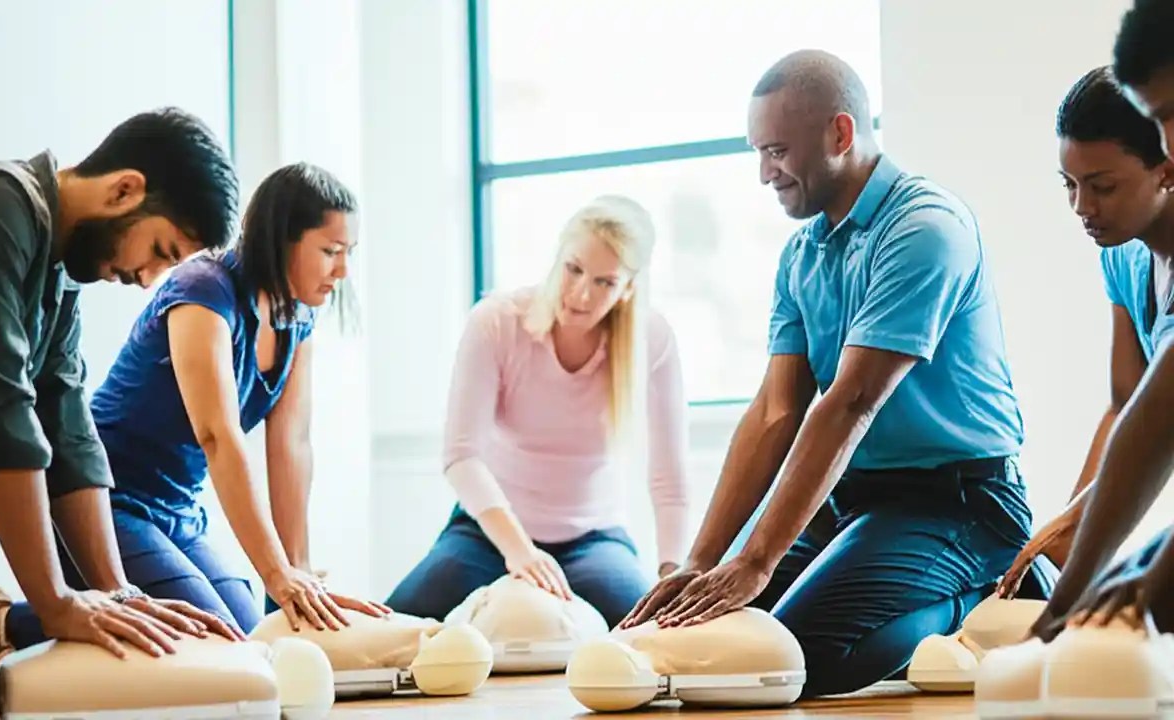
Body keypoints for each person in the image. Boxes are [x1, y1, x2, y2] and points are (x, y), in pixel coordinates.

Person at [619, 49, 1044, 699]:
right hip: (854, 499)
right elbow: (774, 413)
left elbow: (848, 403)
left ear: (840, 134)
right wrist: (704, 562)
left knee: (800, 656)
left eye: (777, 151)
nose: (764, 173)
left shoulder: (925, 227)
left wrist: (757, 561)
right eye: (757, 152)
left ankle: (975, 594)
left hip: (959, 501)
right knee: (726, 630)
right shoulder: (801, 255)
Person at [0, 163, 393, 663]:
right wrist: (274, 571)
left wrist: (296, 571)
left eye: (348, 254)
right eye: (330, 252)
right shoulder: (204, 291)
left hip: (179, 512)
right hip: (106, 501)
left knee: (253, 636)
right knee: (215, 642)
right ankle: (1, 622)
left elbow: (291, 445)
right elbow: (218, 435)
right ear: (281, 241)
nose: (341, 271)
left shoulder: (298, 320)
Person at [0, 107, 243, 719]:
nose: (146, 280)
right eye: (160, 251)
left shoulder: (55, 280)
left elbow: (70, 435)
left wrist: (118, 591)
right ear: (124, 189)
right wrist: (53, 601)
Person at [385, 195, 690, 629]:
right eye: (574, 269)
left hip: (593, 539)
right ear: (557, 259)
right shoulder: (496, 322)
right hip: (486, 534)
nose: (582, 293)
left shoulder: (653, 338)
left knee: (652, 632)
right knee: (394, 625)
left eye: (605, 282)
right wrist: (519, 550)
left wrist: (670, 573)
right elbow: (461, 455)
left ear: (628, 290)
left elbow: (669, 478)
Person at [995, 66, 1174, 600]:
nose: (1082, 207)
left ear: (1166, 167)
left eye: (1102, 187)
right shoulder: (1123, 257)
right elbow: (1127, 407)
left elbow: (1158, 432)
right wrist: (1065, 532)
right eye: (1070, 185)